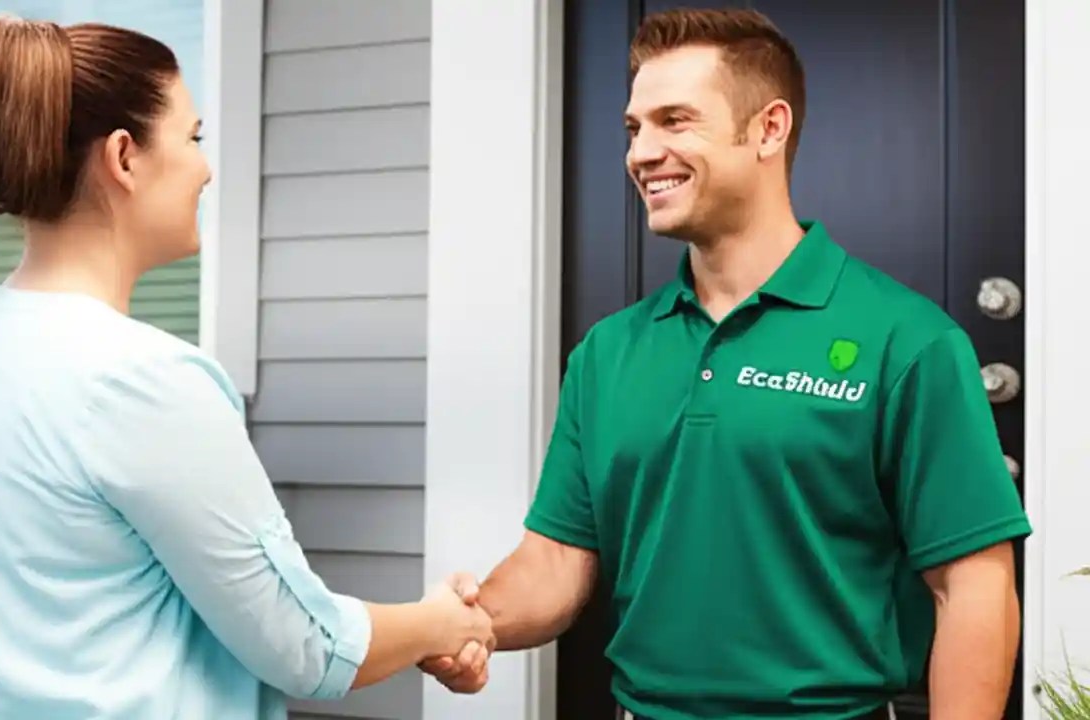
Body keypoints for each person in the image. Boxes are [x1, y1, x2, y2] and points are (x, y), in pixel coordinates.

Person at [421, 8, 1030, 720]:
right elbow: (556, 560)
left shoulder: (906, 340)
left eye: (675, 121)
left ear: (769, 128)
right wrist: (471, 624)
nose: (642, 152)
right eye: (634, 127)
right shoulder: (608, 354)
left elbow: (972, 587)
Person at [0, 16, 492, 720]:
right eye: (192, 138)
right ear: (124, 157)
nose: (206, 166)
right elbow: (306, 646)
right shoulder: (141, 381)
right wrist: (444, 622)